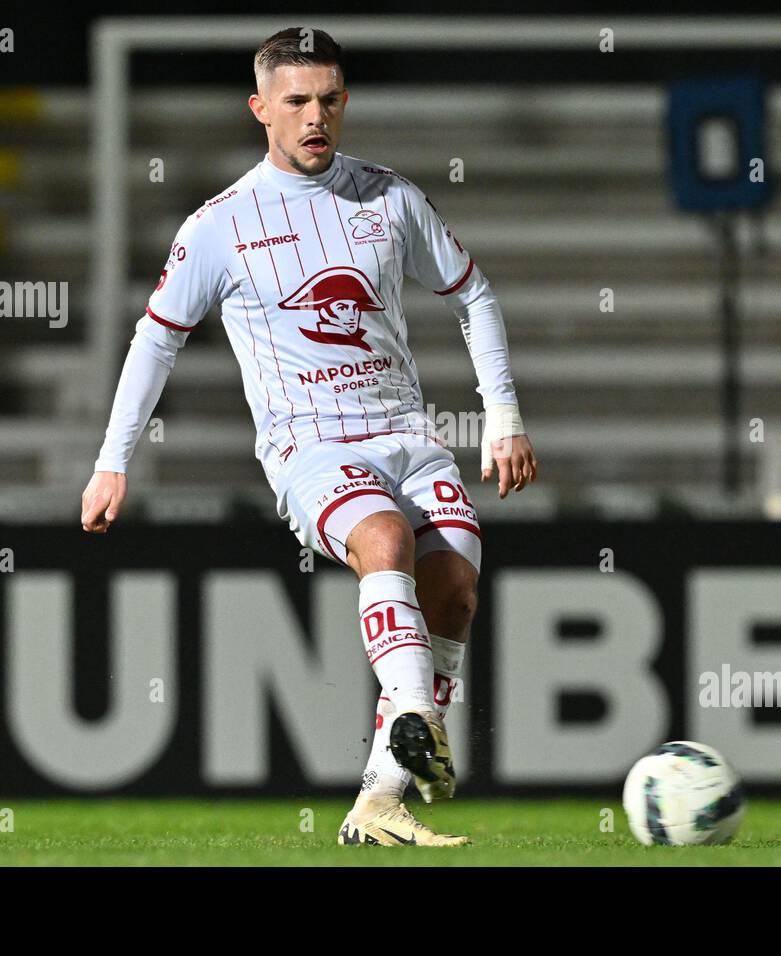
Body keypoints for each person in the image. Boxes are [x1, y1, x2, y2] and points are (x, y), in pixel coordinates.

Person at [80, 27, 537, 847]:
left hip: (407, 433)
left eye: (328, 99)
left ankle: (380, 800)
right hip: (310, 447)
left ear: (344, 102)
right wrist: (113, 463)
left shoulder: (390, 198)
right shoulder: (219, 224)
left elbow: (473, 295)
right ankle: (418, 721)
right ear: (260, 109)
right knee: (384, 537)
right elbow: (156, 339)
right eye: (296, 101)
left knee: (458, 593)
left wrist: (500, 414)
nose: (314, 116)